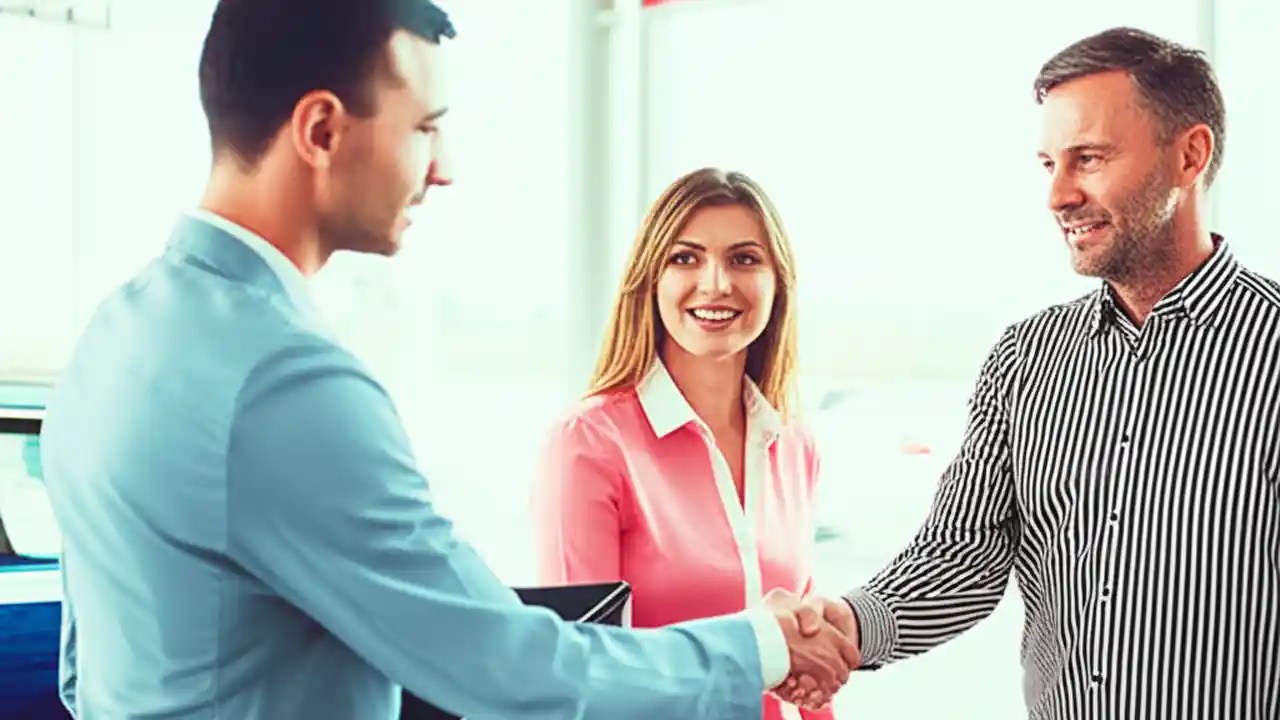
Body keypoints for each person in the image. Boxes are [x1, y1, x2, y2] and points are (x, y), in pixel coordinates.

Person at [36, 2, 860, 718]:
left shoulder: (118, 336)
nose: (443, 169)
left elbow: (83, 674)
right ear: (321, 130)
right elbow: (503, 668)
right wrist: (759, 647)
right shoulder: (286, 380)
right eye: (424, 128)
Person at [829, 26, 1280, 719]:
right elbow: (961, 555)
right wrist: (844, 627)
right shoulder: (1026, 358)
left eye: (1088, 159)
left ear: (1190, 156)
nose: (1058, 195)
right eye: (1049, 164)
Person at [532, 167, 834, 720]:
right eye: (685, 258)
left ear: (778, 282)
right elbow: (577, 669)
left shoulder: (794, 445)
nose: (715, 284)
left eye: (744, 259)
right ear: (651, 279)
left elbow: (805, 656)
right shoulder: (589, 444)